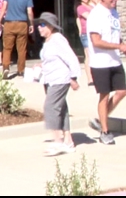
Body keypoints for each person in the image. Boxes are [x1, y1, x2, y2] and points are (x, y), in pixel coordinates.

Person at [86, 0, 126, 145]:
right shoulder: (96, 15)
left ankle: (101, 119)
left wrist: (124, 46)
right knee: (104, 96)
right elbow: (96, 41)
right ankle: (105, 131)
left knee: (122, 91)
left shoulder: (114, 13)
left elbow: (115, 36)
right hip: (100, 63)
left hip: (115, 60)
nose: (115, 0)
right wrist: (119, 46)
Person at [37, 11, 81, 157]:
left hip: (60, 79)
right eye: (39, 24)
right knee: (61, 109)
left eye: (43, 24)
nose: (39, 27)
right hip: (50, 79)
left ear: (51, 26)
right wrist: (40, 67)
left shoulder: (57, 39)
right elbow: (52, 59)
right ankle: (68, 141)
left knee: (50, 108)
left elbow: (71, 58)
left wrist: (74, 77)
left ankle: (58, 141)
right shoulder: (48, 41)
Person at [1, 0, 35, 79]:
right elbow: (30, 12)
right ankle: (21, 70)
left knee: (7, 48)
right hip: (22, 23)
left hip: (9, 23)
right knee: (21, 49)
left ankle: (6, 67)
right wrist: (31, 24)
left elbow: (3, 8)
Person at [76, 0, 96, 83]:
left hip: (94, 32)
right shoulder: (80, 7)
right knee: (88, 55)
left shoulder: (92, 6)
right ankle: (90, 79)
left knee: (95, 54)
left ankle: (95, 75)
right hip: (85, 34)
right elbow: (89, 17)